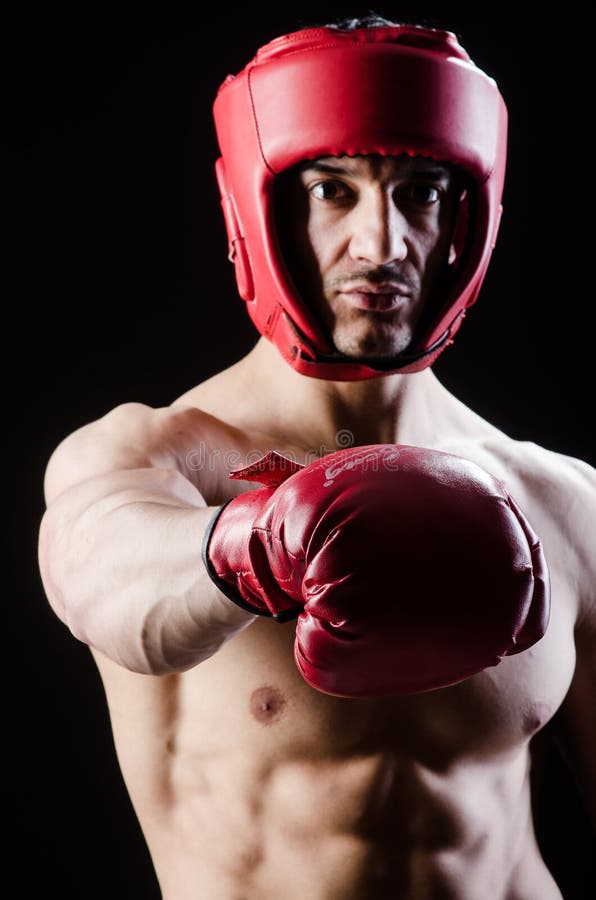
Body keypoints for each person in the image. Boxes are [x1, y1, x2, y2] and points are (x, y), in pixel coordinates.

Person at [37, 14, 595, 899]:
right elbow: (101, 580)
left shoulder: (561, 501)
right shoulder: (158, 458)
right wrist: (254, 544)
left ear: (470, 215)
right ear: (257, 211)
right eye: (333, 192)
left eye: (419, 193)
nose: (381, 246)